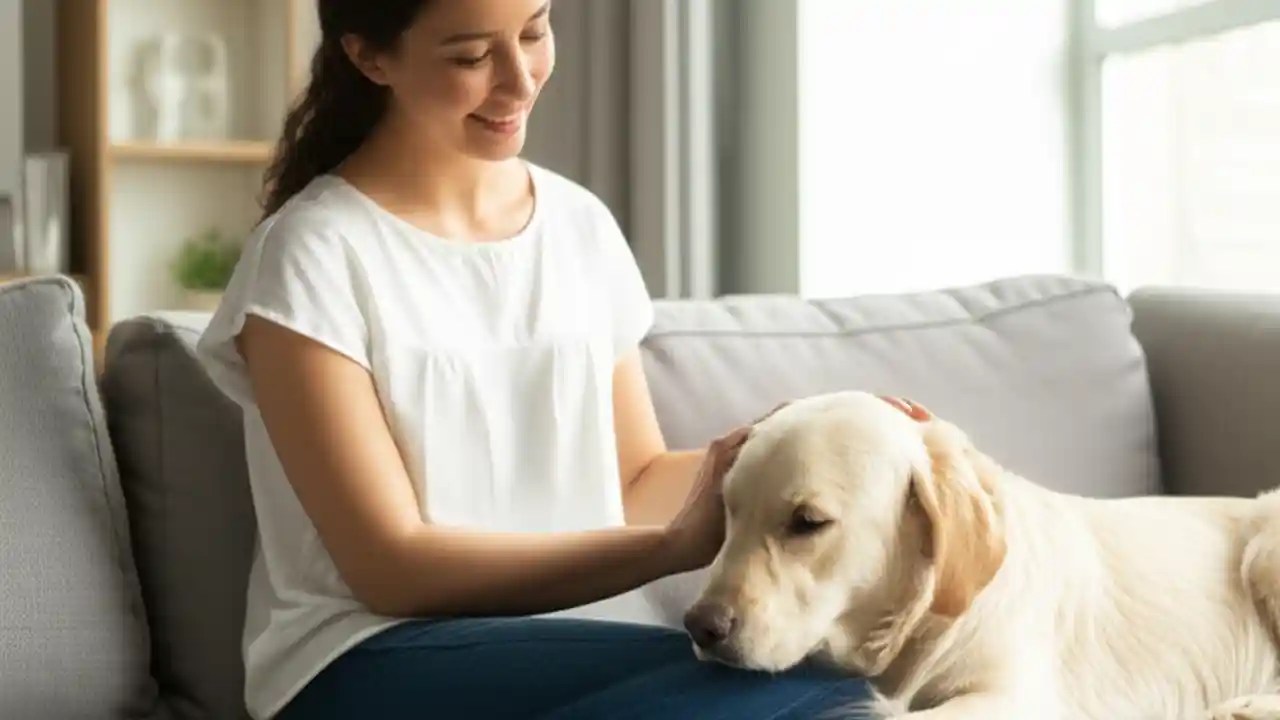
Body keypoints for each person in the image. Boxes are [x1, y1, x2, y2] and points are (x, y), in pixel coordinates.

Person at [195, 1, 873, 718]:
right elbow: (391, 570)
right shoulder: (312, 255)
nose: (520, 81)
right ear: (370, 57)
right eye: (470, 56)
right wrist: (670, 549)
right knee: (819, 690)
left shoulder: (578, 224)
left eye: (534, 31)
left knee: (841, 676)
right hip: (368, 658)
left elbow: (633, 480)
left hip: (568, 649)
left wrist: (793, 445)